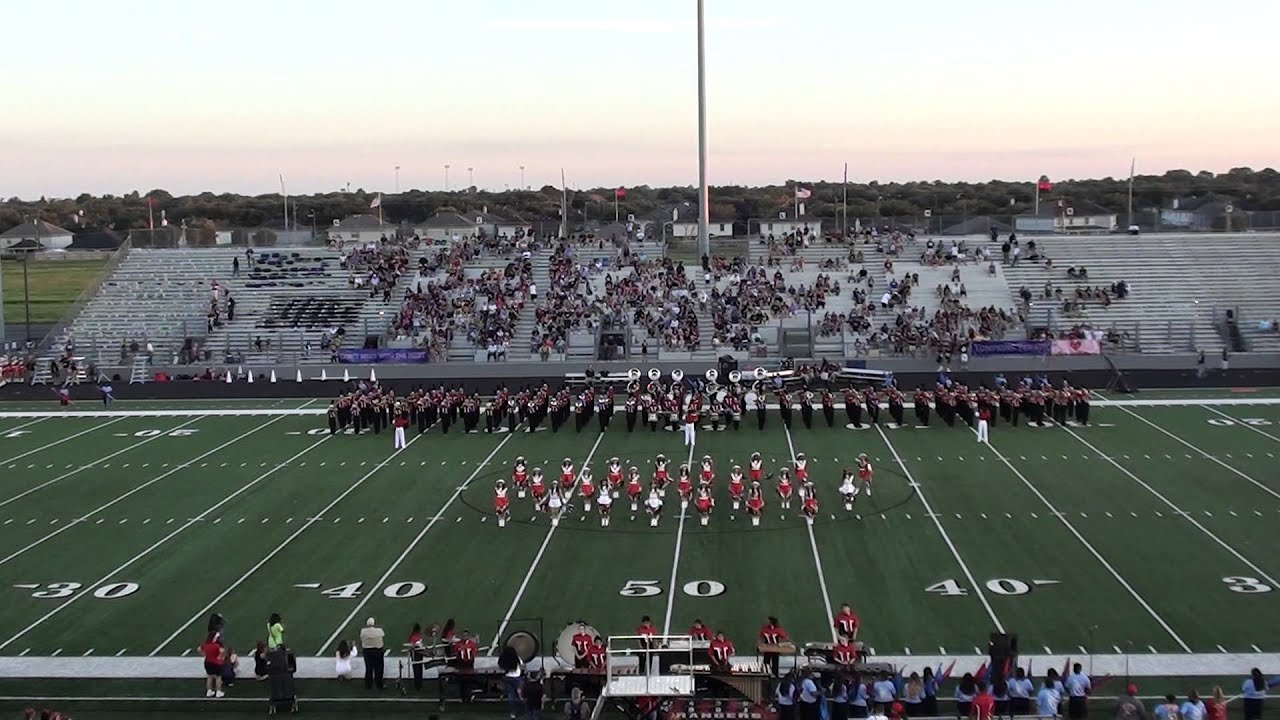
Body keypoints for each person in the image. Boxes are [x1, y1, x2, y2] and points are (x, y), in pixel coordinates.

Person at [359, 617, 386, 690]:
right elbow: (382, 634)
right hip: (378, 650)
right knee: (379, 668)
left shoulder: (363, 631)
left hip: (367, 651)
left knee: (369, 668)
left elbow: (361, 637)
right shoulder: (379, 630)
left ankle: (368, 685)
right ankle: (379, 684)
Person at [200, 631, 225, 698]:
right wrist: (220, 656)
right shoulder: (216, 645)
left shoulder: (205, 644)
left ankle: (209, 691)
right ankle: (218, 691)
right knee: (218, 677)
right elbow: (222, 651)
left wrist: (204, 654)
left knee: (209, 676)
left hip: (207, 662)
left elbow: (199, 649)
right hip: (216, 663)